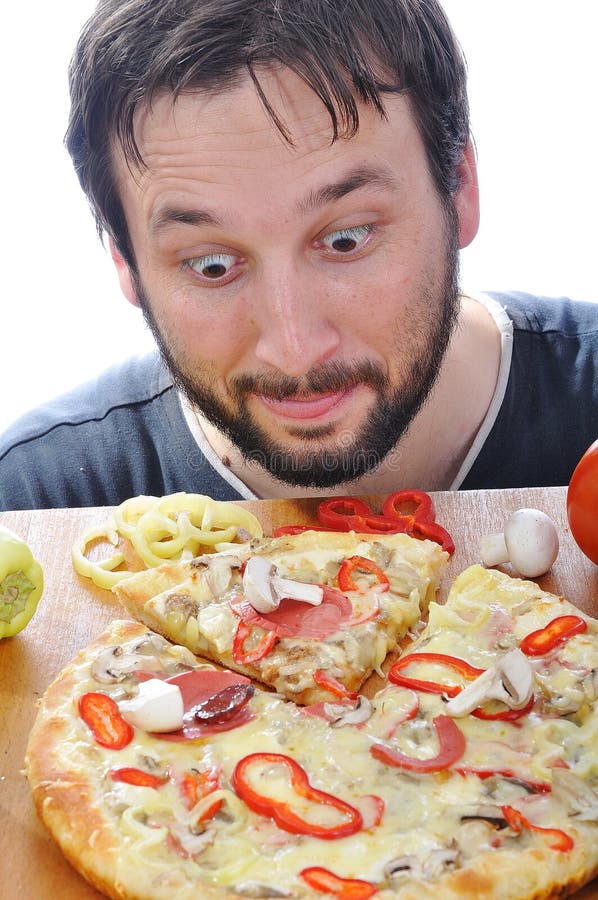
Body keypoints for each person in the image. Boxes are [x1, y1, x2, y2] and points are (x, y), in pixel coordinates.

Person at [0, 0, 596, 511]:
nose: (294, 348)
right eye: (211, 265)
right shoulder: (33, 498)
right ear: (123, 260)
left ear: (460, 187)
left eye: (346, 240)